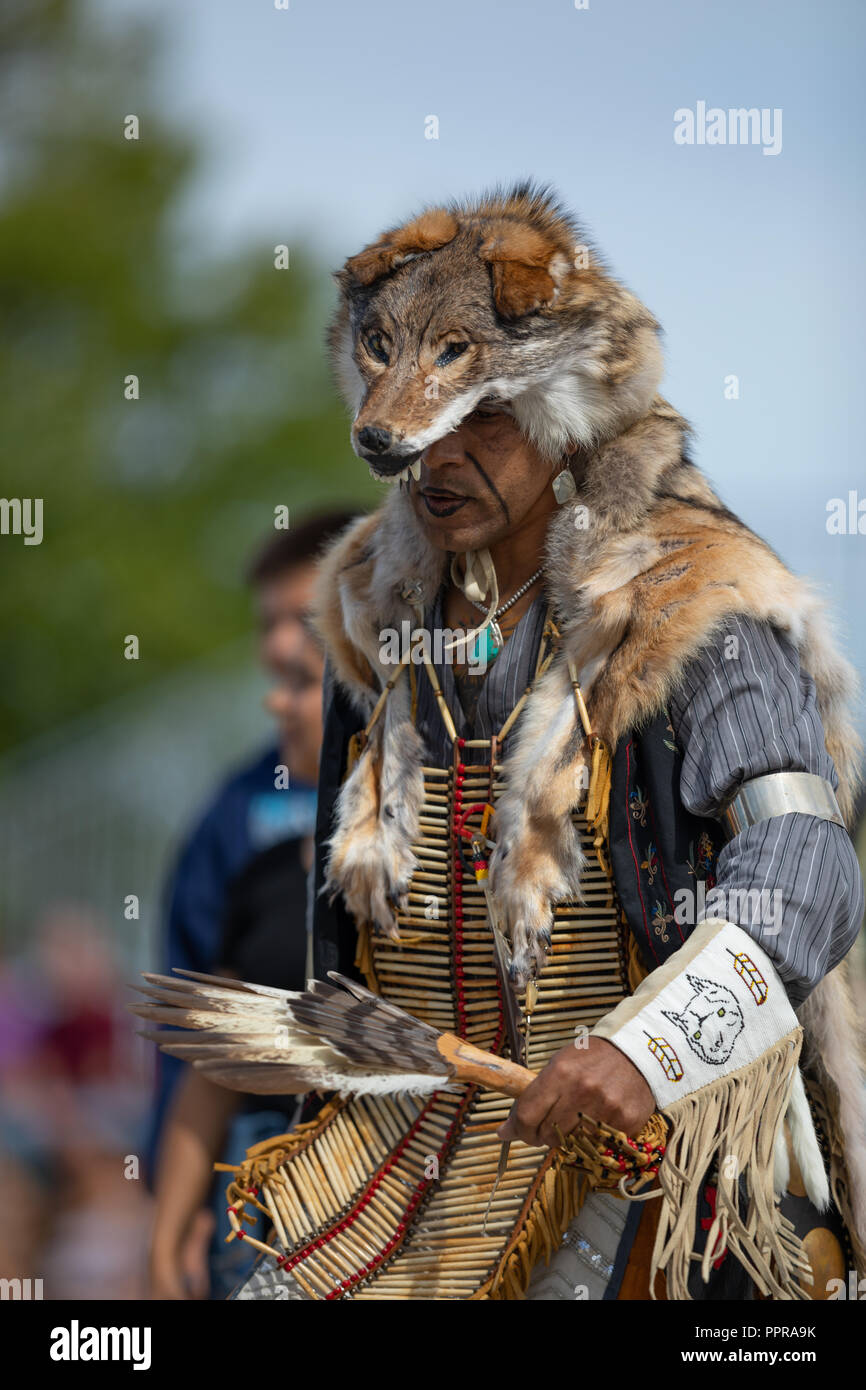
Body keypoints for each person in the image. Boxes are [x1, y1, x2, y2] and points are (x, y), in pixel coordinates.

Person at [160, 184, 866, 1301]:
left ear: (562, 413)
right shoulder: (369, 613)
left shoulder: (697, 600)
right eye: (396, 391)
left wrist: (649, 1048)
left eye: (479, 415)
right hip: (397, 1163)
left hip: (643, 1183)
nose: (432, 453)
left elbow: (806, 869)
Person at [147, 510, 355, 1299]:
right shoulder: (237, 818)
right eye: (267, 626)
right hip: (260, 1197)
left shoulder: (457, 819)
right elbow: (196, 1032)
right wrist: (186, 1204)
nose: (275, 652)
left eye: (299, 623)